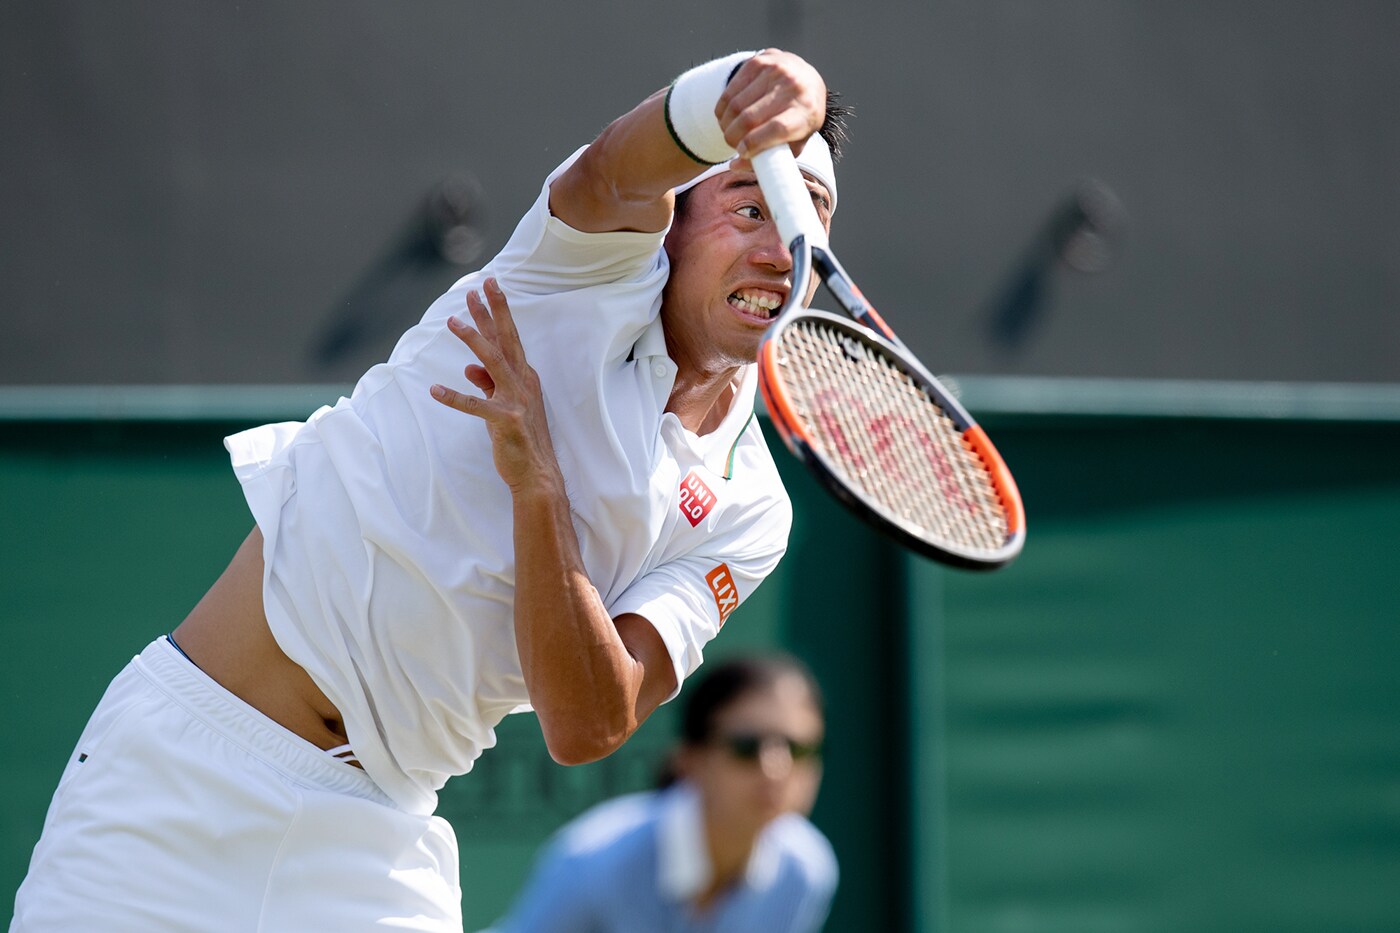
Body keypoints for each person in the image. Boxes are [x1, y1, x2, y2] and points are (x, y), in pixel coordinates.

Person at [11, 48, 850, 931]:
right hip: (181, 770)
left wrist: (540, 490)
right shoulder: (574, 273)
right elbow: (615, 165)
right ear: (674, 221)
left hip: (378, 833)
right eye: (749, 208)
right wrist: (740, 88)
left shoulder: (751, 509)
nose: (779, 250)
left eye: (807, 219)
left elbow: (586, 723)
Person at [487, 654, 836, 933]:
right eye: (747, 747)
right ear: (691, 760)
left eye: (799, 750)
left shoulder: (807, 872)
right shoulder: (593, 862)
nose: (776, 769)